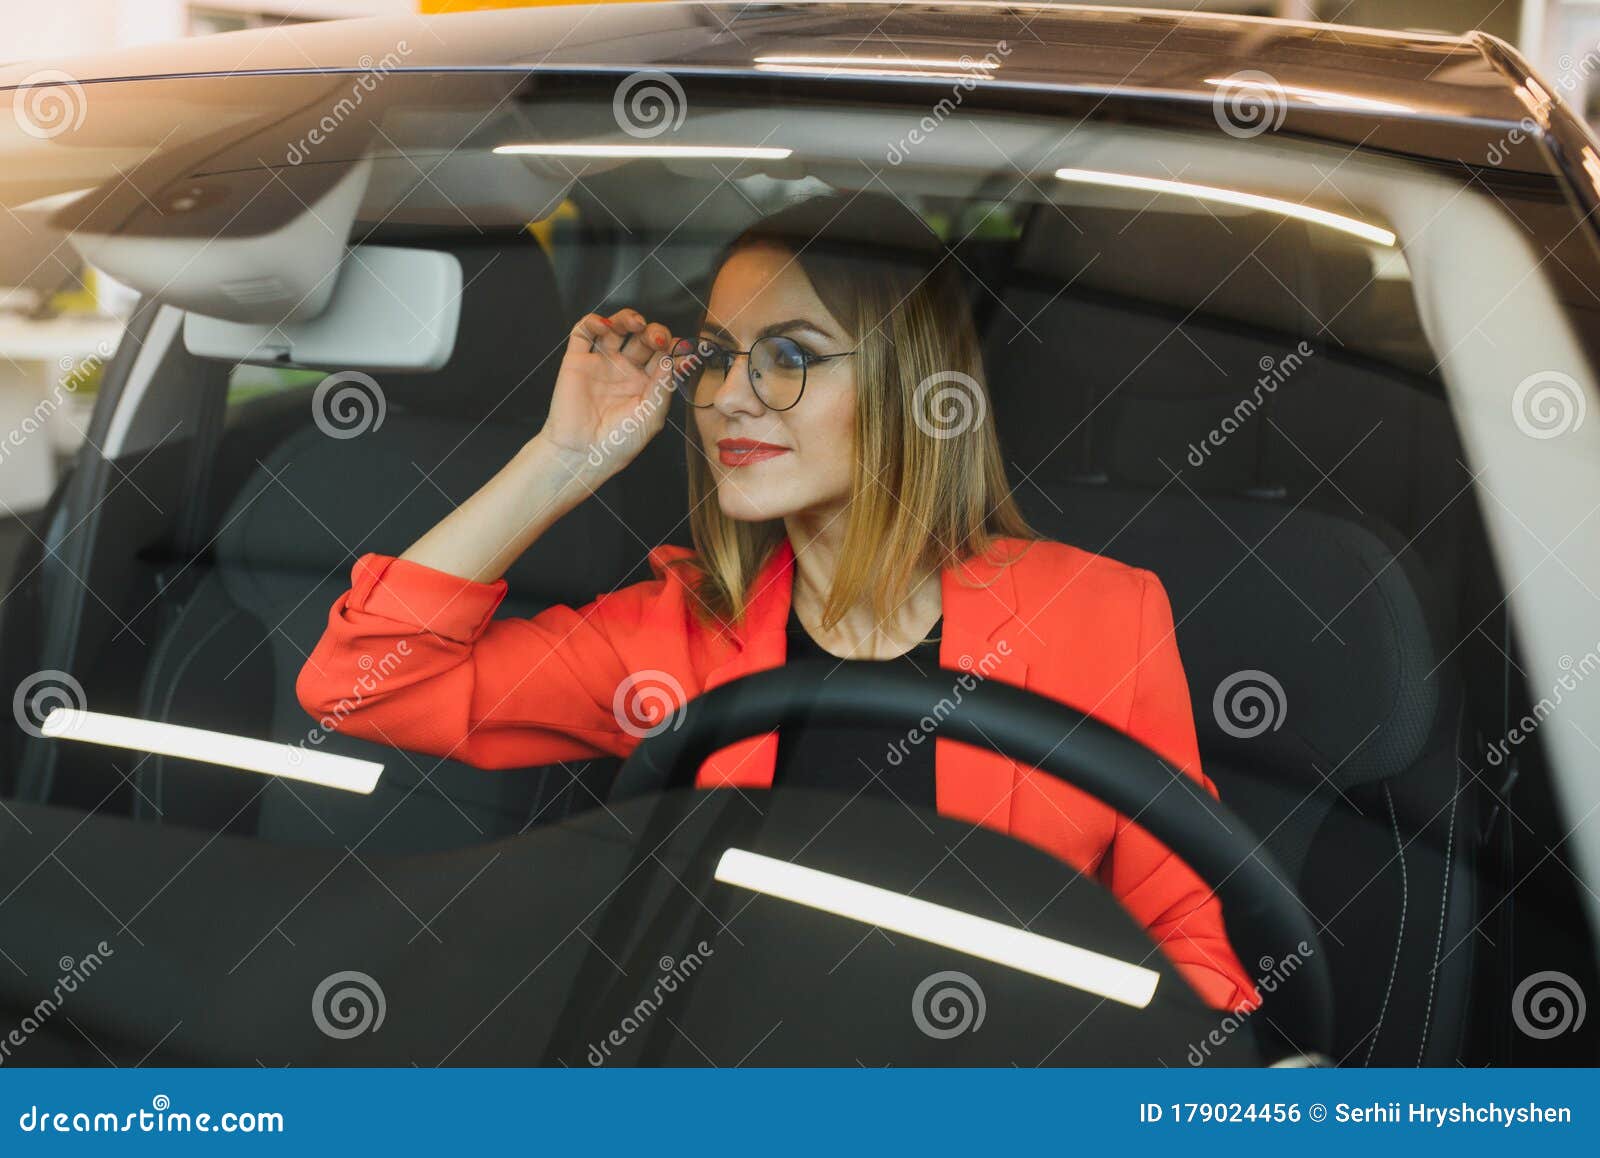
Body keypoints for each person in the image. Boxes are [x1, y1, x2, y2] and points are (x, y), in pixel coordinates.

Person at [296, 192, 1261, 1013]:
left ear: (908, 386)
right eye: (718, 355)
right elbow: (361, 685)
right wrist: (561, 461)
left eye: (791, 356)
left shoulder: (1100, 616)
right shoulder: (674, 632)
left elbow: (1188, 935)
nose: (730, 397)